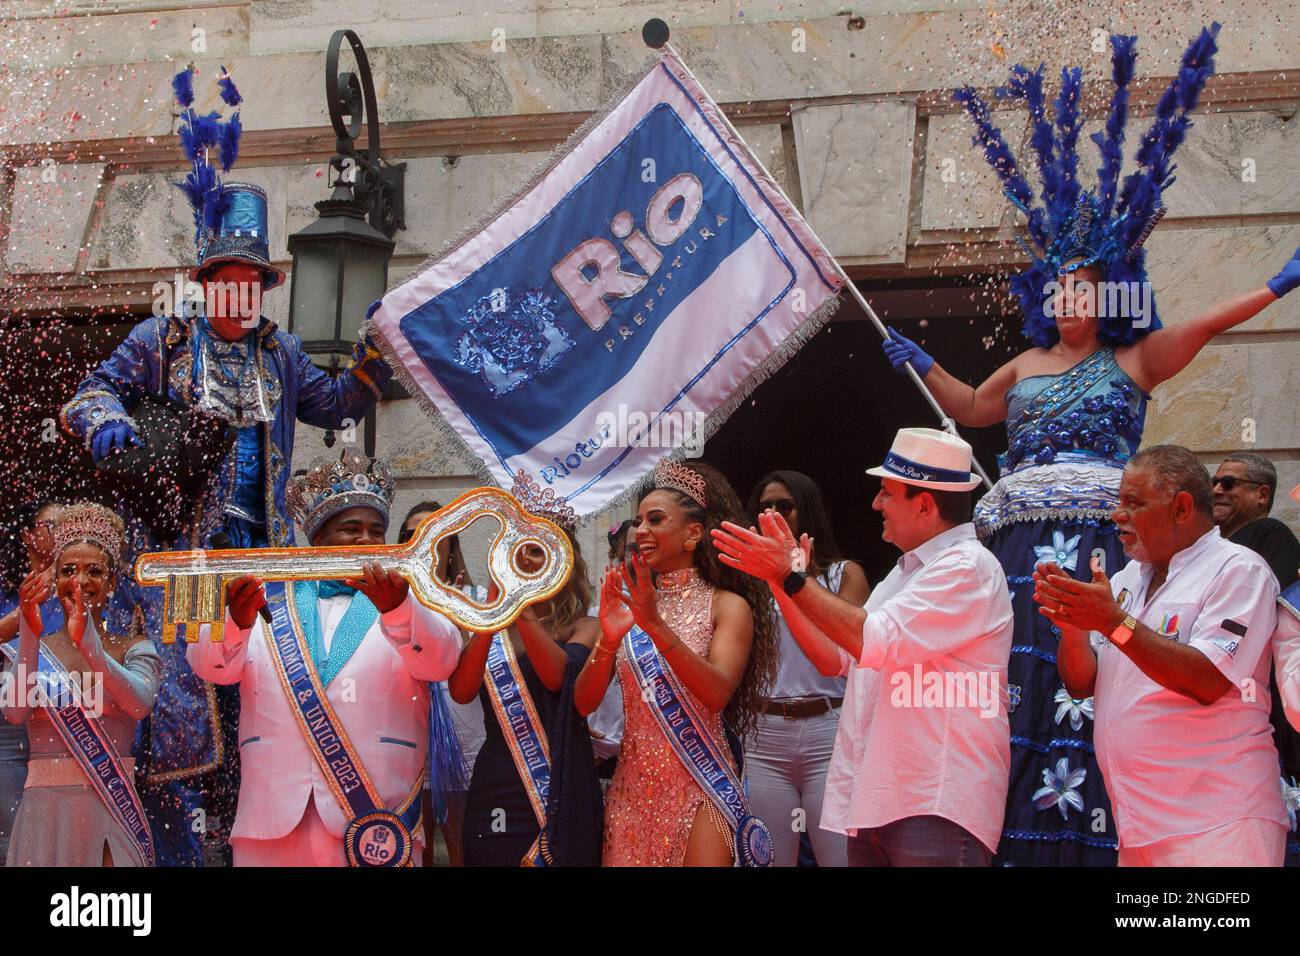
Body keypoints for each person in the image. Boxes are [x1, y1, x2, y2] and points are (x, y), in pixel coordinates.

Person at [883, 24, 1300, 864]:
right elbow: (970, 409)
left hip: (1104, 546)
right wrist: (921, 359)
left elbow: (1211, 321)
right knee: (1024, 684)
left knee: (1095, 673)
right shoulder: (1026, 362)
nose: (1074, 295)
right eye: (1062, 282)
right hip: (1015, 548)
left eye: (1087, 282)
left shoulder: (1134, 360)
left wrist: (1281, 282)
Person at [58, 67, 392, 866]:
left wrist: (383, 354)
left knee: (266, 696)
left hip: (266, 555)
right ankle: (175, 852)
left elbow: (338, 405)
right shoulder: (162, 342)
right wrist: (108, 427)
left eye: (251, 283)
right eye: (225, 283)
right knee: (177, 708)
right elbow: (87, 395)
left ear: (264, 290)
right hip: (176, 555)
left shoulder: (280, 351)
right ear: (206, 286)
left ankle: (267, 838)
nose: (238, 296)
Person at [715, 429, 1013, 866]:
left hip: (934, 801)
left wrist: (793, 578)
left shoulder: (967, 567)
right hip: (880, 800)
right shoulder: (903, 572)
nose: (876, 504)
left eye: (886, 493)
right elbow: (831, 656)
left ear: (925, 504)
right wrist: (779, 583)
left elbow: (870, 638)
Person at [186, 452, 461, 867]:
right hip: (272, 819)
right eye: (351, 529)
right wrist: (235, 621)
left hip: (376, 819)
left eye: (376, 531)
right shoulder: (268, 597)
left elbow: (440, 663)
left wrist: (399, 610)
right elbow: (210, 667)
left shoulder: (412, 596)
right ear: (317, 539)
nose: (366, 541)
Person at [1035, 445, 1288, 866]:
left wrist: (1112, 621)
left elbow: (1207, 679)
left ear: (1182, 507)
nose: (1118, 515)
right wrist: (1076, 631)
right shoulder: (1127, 577)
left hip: (1218, 822)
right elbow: (1082, 684)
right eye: (1119, 502)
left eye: (1133, 503)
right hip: (1138, 824)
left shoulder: (1239, 570)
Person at [577, 459, 777, 867]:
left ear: (693, 534)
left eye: (655, 520)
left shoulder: (727, 605)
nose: (642, 531)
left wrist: (654, 626)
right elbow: (582, 703)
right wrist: (609, 639)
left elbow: (717, 692)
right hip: (631, 788)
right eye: (639, 521)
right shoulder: (627, 606)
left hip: (702, 785)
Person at [449, 474, 603, 866]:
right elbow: (462, 691)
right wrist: (491, 617)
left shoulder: (585, 625)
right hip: (498, 780)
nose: (527, 559)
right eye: (520, 549)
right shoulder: (488, 620)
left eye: (538, 551)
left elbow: (557, 679)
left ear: (562, 559)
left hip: (563, 779)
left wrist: (521, 610)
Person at [2, 503, 161, 867]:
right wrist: (28, 631)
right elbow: (14, 712)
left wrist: (91, 645)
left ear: (112, 582)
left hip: (111, 806)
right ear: (54, 578)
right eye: (68, 570)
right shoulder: (34, 650)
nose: (80, 581)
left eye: (94, 571)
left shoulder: (133, 647)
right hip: (45, 813)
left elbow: (138, 703)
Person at [741, 470, 869, 867]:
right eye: (765, 507)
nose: (774, 513)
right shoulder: (746, 582)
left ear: (806, 511)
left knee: (840, 858)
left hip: (828, 729)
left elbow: (843, 651)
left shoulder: (843, 574)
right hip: (764, 733)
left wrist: (793, 580)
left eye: (785, 506)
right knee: (769, 859)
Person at [1211, 453, 1300, 863]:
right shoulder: (1209, 547)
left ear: (1261, 494)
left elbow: (1261, 608)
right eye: (1214, 482)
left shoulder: (1270, 535)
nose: (1216, 490)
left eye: (1229, 483)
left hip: (1264, 699)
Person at [398, 500, 478, 867]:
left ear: (451, 546)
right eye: (413, 534)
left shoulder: (474, 600)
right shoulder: (387, 601)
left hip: (461, 729)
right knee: (415, 841)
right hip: (407, 728)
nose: (423, 541)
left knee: (461, 838)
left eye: (434, 533)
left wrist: (462, 633)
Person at [0, 502, 66, 864]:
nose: (61, 534)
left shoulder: (76, 590)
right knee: (11, 840)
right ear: (29, 535)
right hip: (10, 731)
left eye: (67, 526)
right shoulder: (10, 588)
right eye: (51, 525)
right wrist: (27, 605)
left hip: (60, 729)